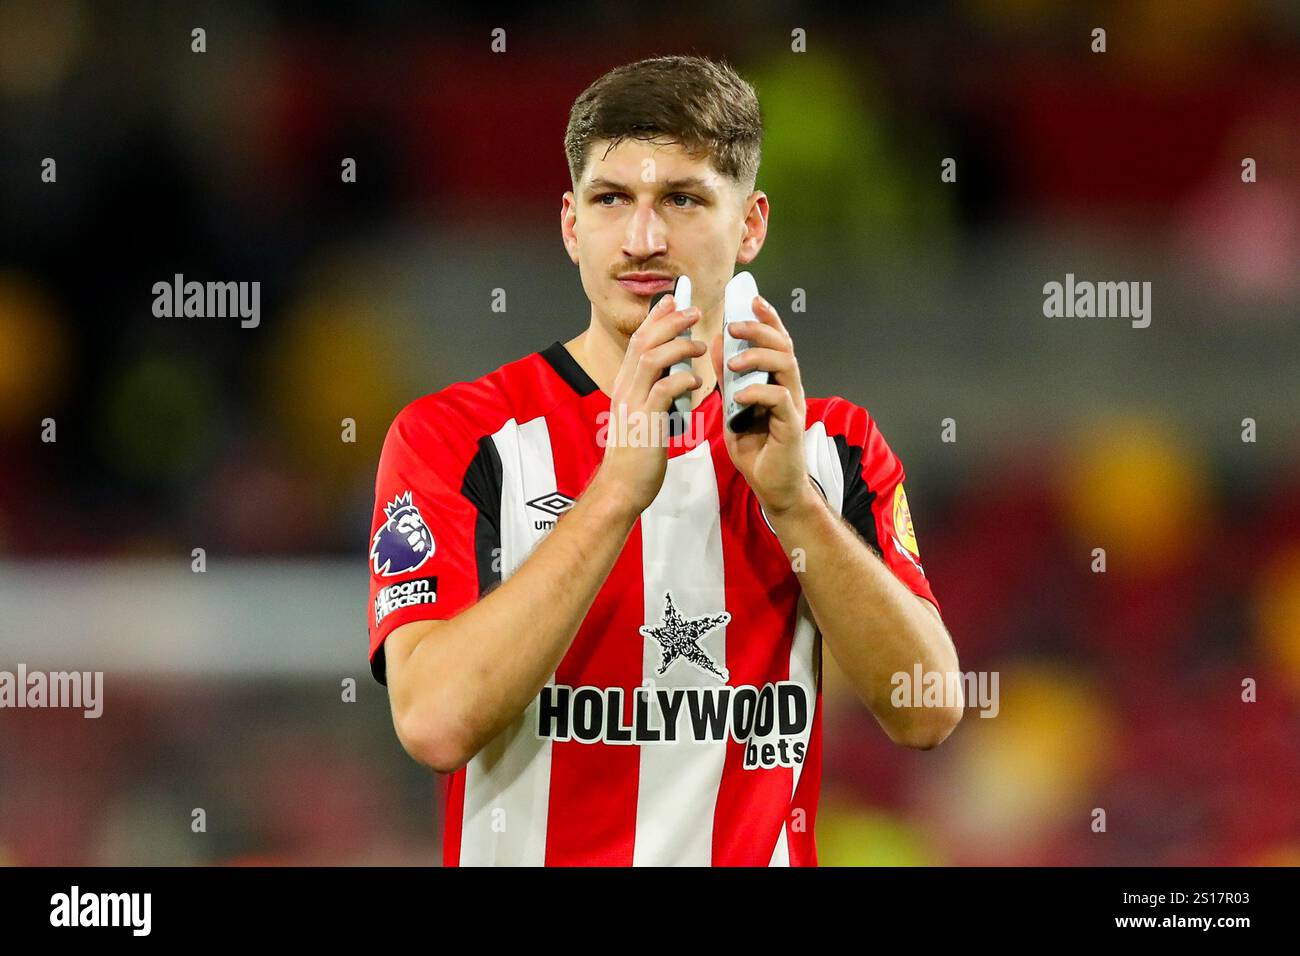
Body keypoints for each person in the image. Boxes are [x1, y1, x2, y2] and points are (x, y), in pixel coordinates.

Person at [366, 55, 961, 866]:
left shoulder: (835, 446)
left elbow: (926, 710)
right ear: (572, 225)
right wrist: (616, 492)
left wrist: (793, 507)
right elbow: (433, 723)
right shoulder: (455, 438)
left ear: (750, 225)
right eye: (613, 201)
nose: (644, 240)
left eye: (682, 199)